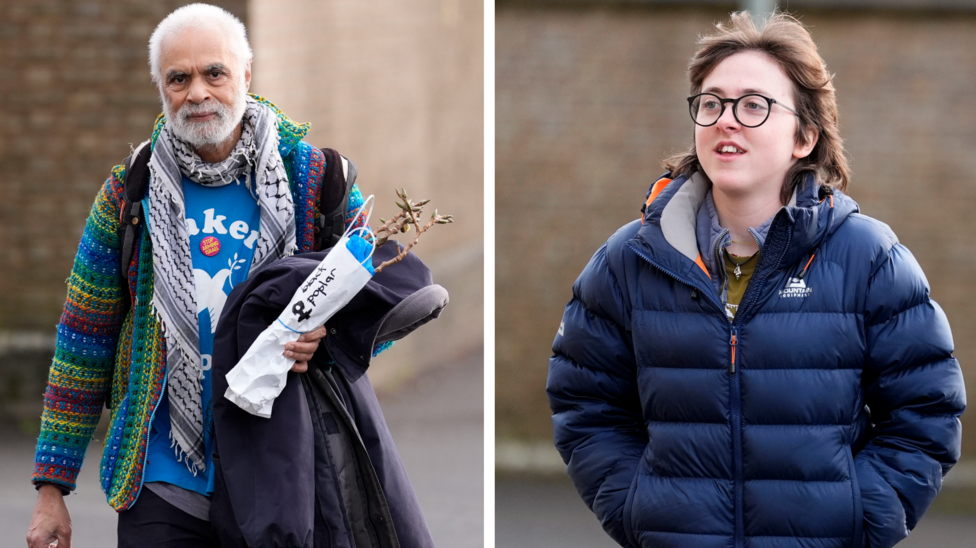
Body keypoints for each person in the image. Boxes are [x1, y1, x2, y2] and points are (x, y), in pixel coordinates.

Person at [547, 11, 964, 548]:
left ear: (805, 136)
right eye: (712, 103)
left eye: (754, 105)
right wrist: (637, 509)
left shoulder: (870, 259)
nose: (726, 120)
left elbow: (927, 411)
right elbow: (585, 405)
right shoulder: (629, 259)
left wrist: (857, 519)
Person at [25, 4, 391, 547]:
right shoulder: (130, 192)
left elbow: (376, 303)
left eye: (213, 72)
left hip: (282, 474)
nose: (197, 92)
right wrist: (52, 487)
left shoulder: (313, 179)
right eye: (179, 78)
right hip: (163, 484)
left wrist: (326, 339)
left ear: (245, 75)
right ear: (162, 89)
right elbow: (84, 340)